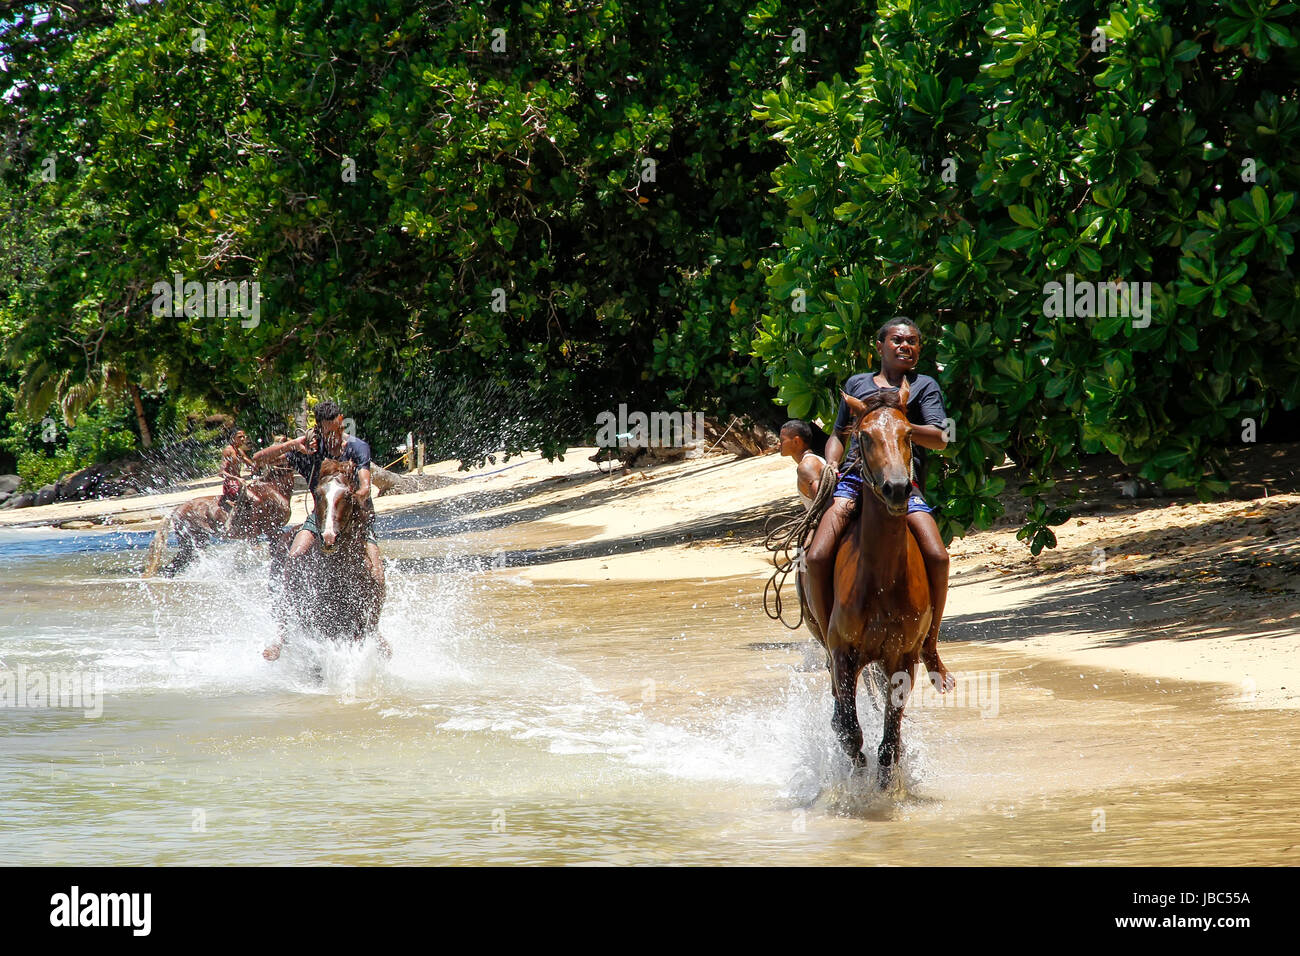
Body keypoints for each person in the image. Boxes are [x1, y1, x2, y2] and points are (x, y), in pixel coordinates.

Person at [803, 318, 955, 692]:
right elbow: (838, 436)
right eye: (897, 340)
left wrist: (894, 426)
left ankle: (930, 647)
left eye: (913, 342)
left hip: (902, 484)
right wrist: (833, 463)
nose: (905, 346)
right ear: (880, 346)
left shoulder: (925, 387)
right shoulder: (857, 384)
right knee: (818, 555)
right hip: (856, 480)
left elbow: (940, 438)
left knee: (937, 555)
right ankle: (830, 639)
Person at [256, 401, 385, 661]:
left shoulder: (357, 447)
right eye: (326, 432)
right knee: (294, 556)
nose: (332, 437)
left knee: (378, 576)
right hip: (320, 518)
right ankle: (281, 633)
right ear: (319, 427)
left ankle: (374, 628)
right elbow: (259, 459)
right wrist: (293, 445)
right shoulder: (310, 449)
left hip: (355, 519)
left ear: (341, 421)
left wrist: (356, 495)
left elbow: (364, 482)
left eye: (335, 430)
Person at [779, 419, 828, 510]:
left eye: (782, 440)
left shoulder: (807, 466)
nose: (779, 444)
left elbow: (823, 503)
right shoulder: (814, 460)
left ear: (796, 441)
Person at [218, 429, 256, 533]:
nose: (243, 439)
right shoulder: (228, 450)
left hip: (240, 483)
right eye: (240, 437)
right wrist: (237, 478)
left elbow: (248, 461)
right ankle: (231, 522)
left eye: (244, 436)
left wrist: (258, 466)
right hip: (231, 484)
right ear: (232, 438)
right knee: (248, 499)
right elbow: (221, 473)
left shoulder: (239, 450)